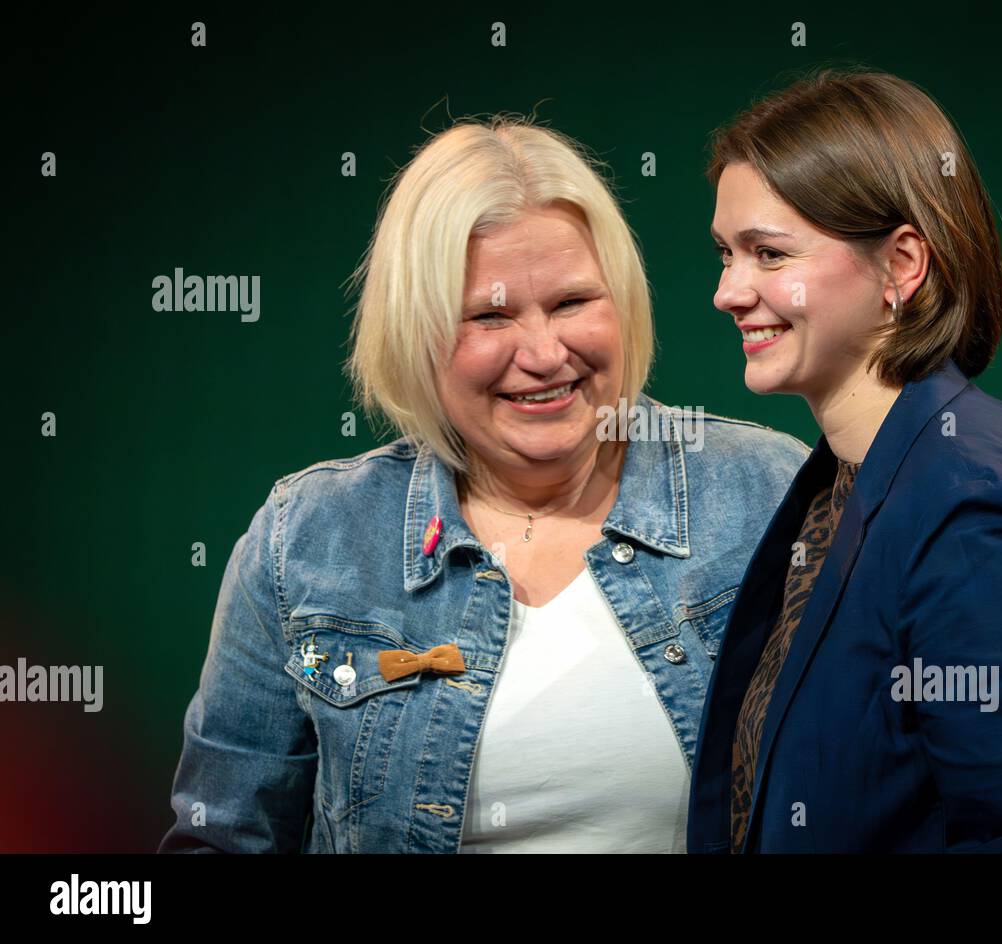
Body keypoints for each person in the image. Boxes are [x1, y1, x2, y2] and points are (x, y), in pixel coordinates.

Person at [158, 115, 808, 853]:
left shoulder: (773, 495)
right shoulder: (303, 540)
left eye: (571, 303)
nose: (543, 353)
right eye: (489, 316)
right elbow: (221, 840)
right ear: (416, 333)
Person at [688, 68, 1002, 853]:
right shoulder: (847, 479)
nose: (729, 290)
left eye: (769, 254)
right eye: (726, 253)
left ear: (901, 267)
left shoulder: (966, 501)